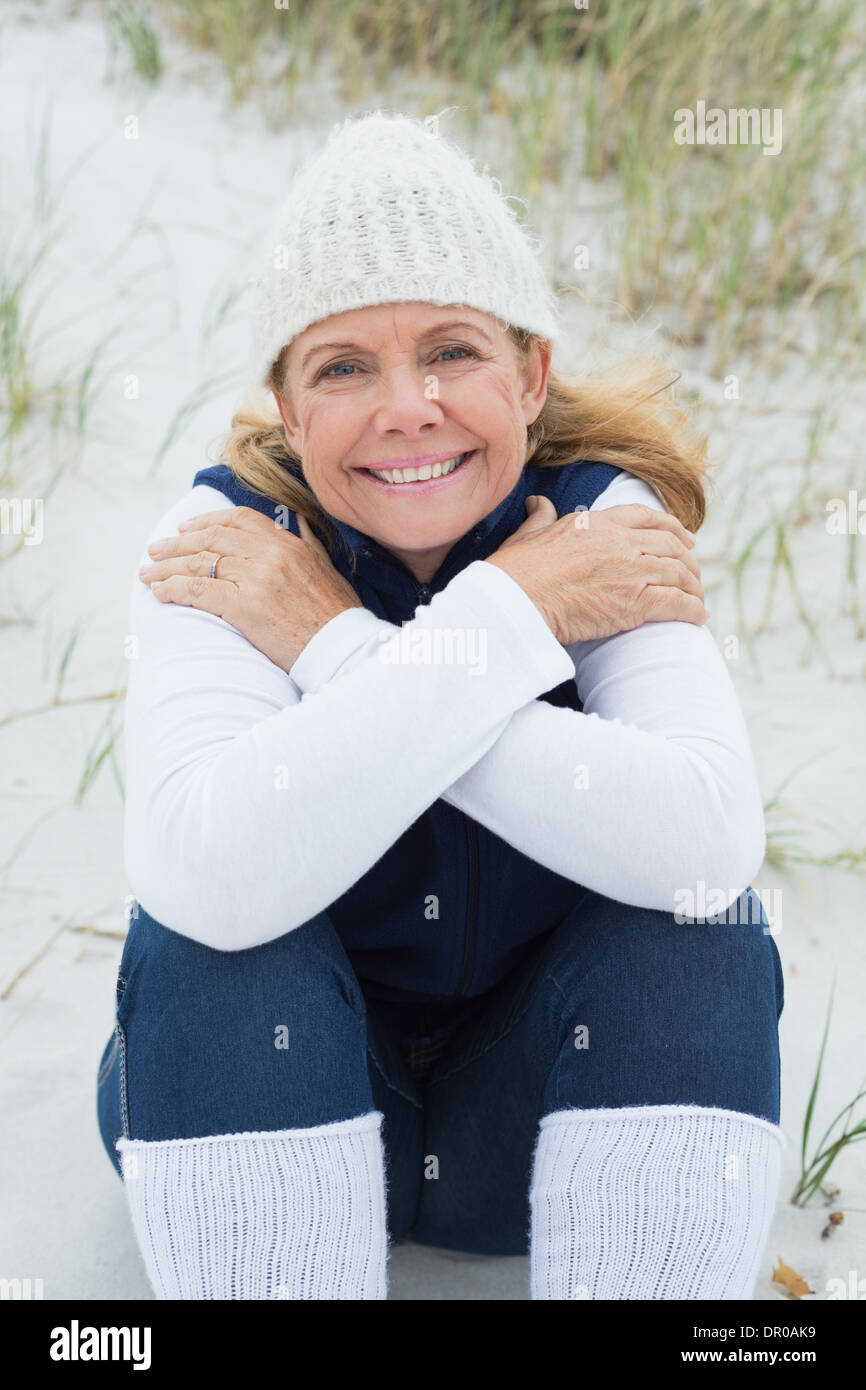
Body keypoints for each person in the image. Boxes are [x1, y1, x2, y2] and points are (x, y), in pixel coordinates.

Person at [96, 110, 785, 1300]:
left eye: (452, 352)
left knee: (697, 935)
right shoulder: (224, 543)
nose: (405, 405)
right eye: (344, 366)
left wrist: (338, 646)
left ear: (529, 373)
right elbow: (202, 870)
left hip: (527, 1124)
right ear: (287, 402)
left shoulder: (603, 529)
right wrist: (507, 622)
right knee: (211, 937)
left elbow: (706, 841)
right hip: (281, 1089)